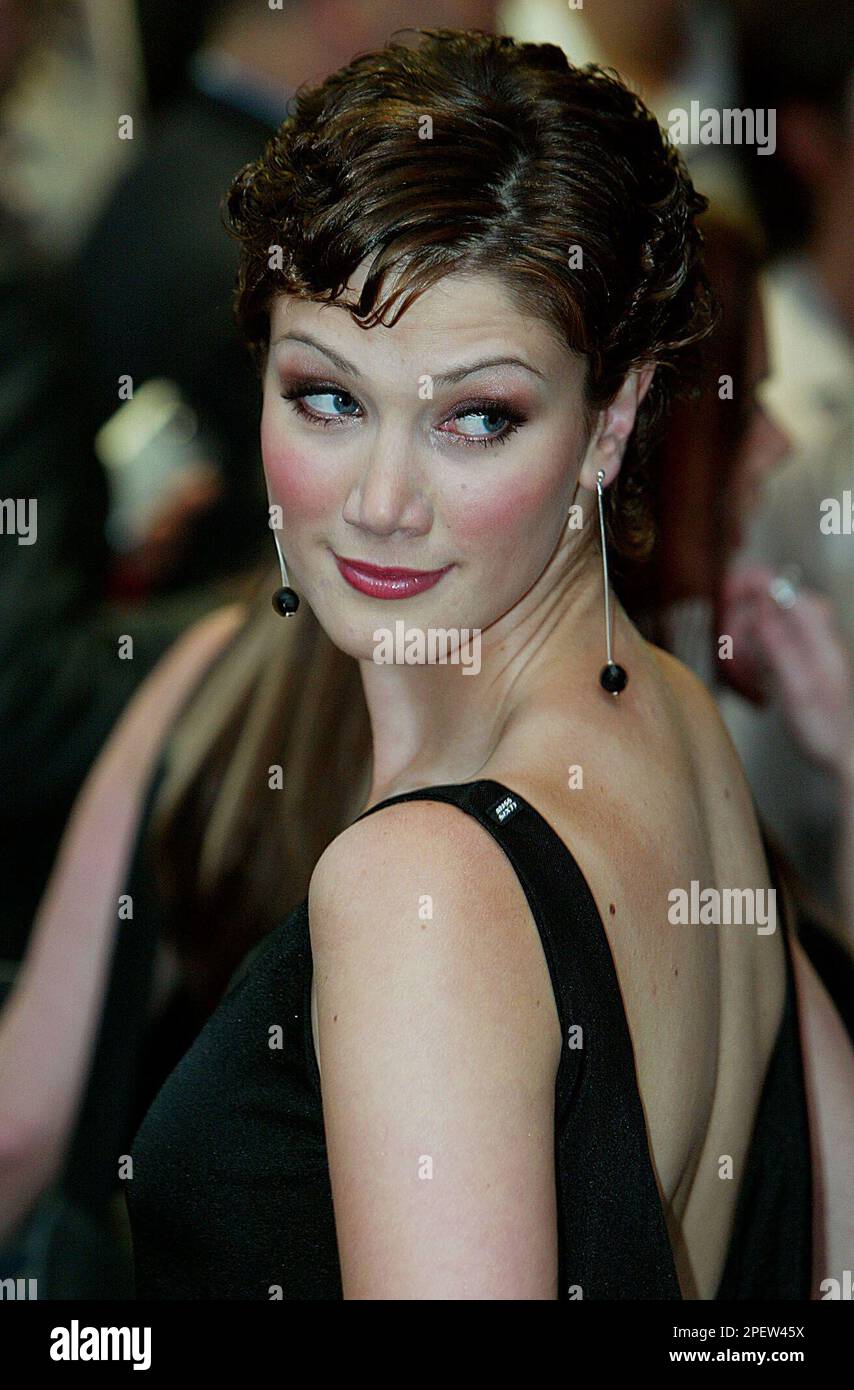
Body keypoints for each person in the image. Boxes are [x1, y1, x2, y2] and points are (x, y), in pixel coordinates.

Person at [7, 29, 852, 1300]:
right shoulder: (670, 727)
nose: (381, 501)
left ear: (609, 418)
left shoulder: (421, 888)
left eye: (476, 416)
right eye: (327, 398)